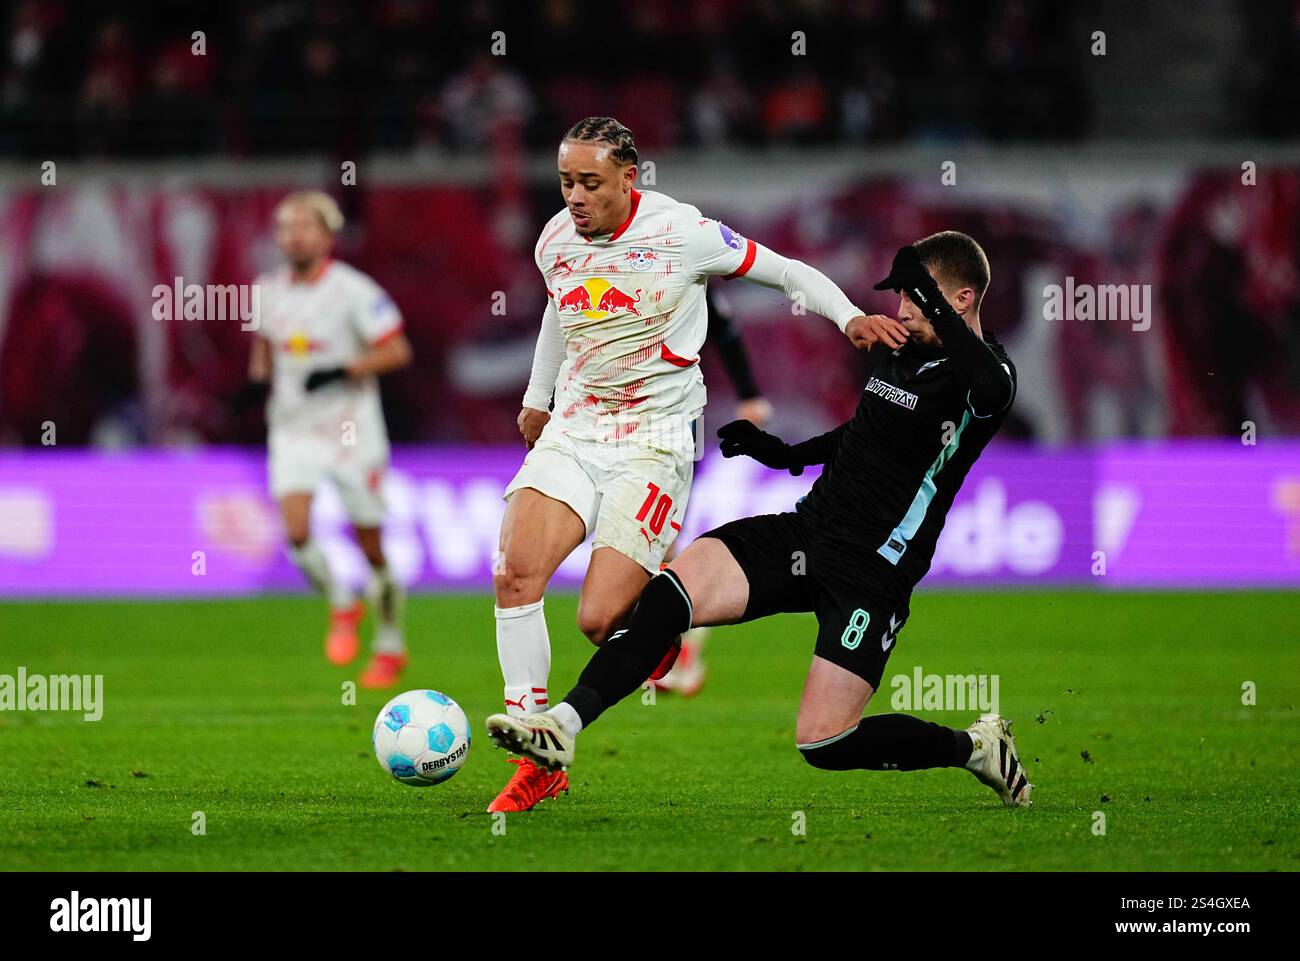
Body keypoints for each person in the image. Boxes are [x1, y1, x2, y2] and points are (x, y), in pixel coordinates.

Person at [487, 232, 1035, 809]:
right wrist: (787, 453)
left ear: (964, 298)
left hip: (873, 571)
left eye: (914, 297)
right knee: (676, 588)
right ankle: (562, 726)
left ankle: (976, 748)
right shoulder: (905, 352)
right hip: (809, 532)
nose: (900, 308)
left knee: (824, 741)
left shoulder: (988, 377)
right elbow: (868, 431)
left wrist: (927, 292)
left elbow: (991, 385)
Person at [488, 116, 903, 813]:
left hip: (653, 443)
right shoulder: (555, 239)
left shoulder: (684, 235)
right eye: (565, 182)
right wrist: (538, 398)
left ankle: (660, 631)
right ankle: (537, 750)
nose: (575, 197)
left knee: (601, 620)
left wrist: (848, 315)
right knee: (514, 571)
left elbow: (785, 271)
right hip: (578, 427)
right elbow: (560, 312)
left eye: (590, 182)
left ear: (629, 177)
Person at [242, 191, 414, 689]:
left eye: (304, 227)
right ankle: (342, 602)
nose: (293, 236)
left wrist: (346, 368)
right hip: (294, 430)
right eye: (286, 228)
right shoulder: (267, 291)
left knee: (372, 547)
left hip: (351, 432)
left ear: (326, 235)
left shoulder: (356, 291)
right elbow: (264, 348)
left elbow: (397, 350)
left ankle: (389, 643)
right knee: (296, 533)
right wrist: (256, 381)